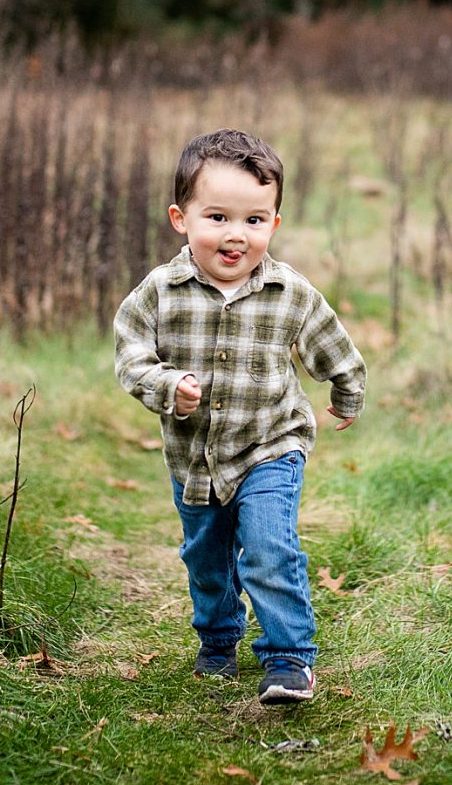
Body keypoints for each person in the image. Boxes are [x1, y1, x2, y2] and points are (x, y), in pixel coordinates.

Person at [112, 126, 365, 704]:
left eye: (254, 220)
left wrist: (347, 392)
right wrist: (166, 384)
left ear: (273, 224)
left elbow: (334, 347)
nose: (236, 235)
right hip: (194, 458)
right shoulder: (159, 292)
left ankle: (289, 659)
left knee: (269, 544)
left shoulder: (289, 292)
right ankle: (219, 639)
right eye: (218, 217)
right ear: (182, 219)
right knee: (206, 558)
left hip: (271, 444)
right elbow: (130, 354)